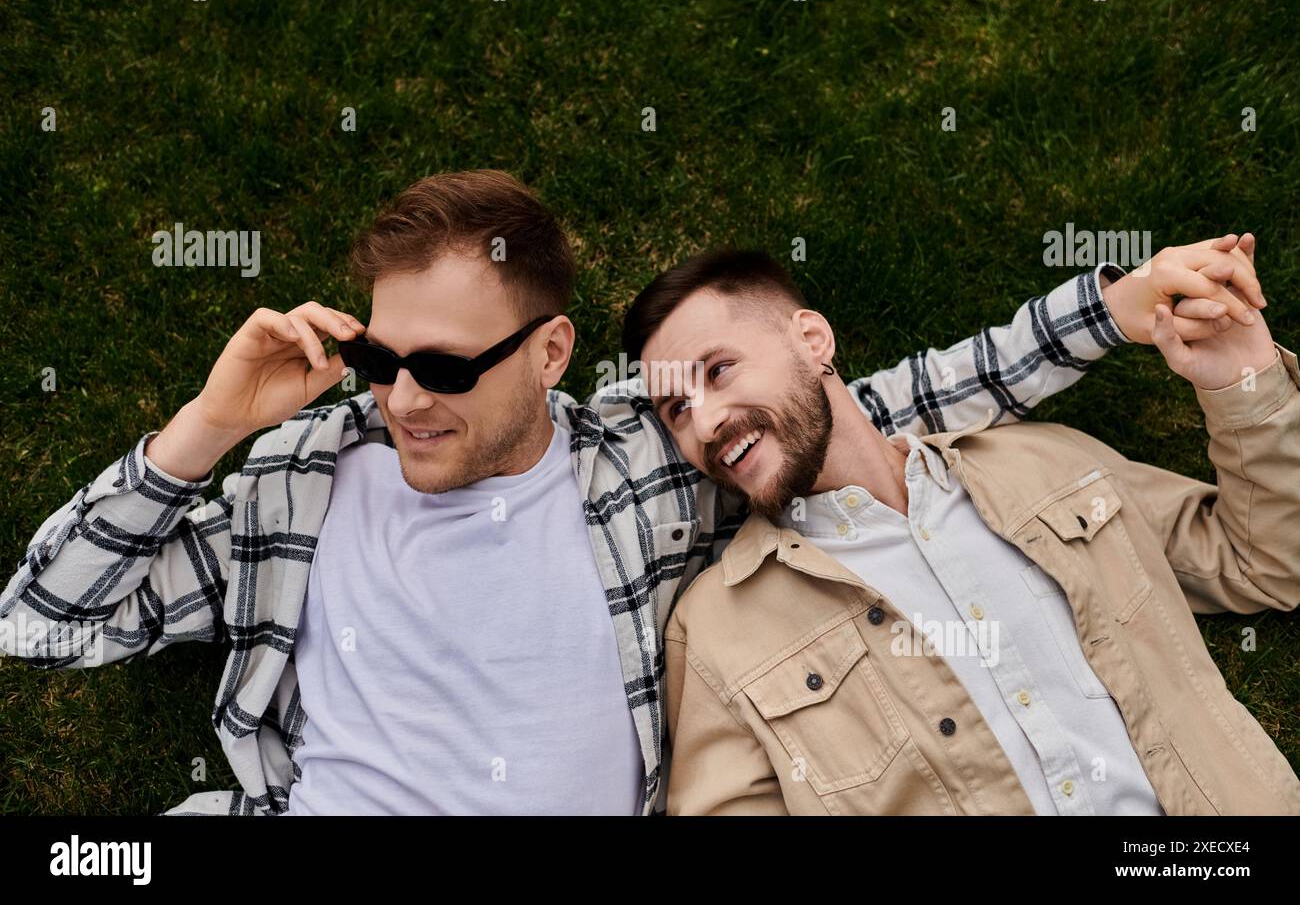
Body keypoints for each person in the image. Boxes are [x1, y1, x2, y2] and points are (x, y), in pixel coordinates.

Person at [0, 170, 1261, 815]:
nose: (402, 398)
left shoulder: (650, 461)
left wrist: (1100, 311)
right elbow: (45, 623)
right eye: (384, 361)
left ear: (549, 354)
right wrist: (210, 426)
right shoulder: (299, 487)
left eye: (443, 367)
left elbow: (883, 403)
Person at [623, 239, 1300, 815]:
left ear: (811, 339)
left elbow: (1267, 564)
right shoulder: (717, 630)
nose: (706, 422)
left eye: (719, 371)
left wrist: (1243, 379)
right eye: (678, 408)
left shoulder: (1047, 462)